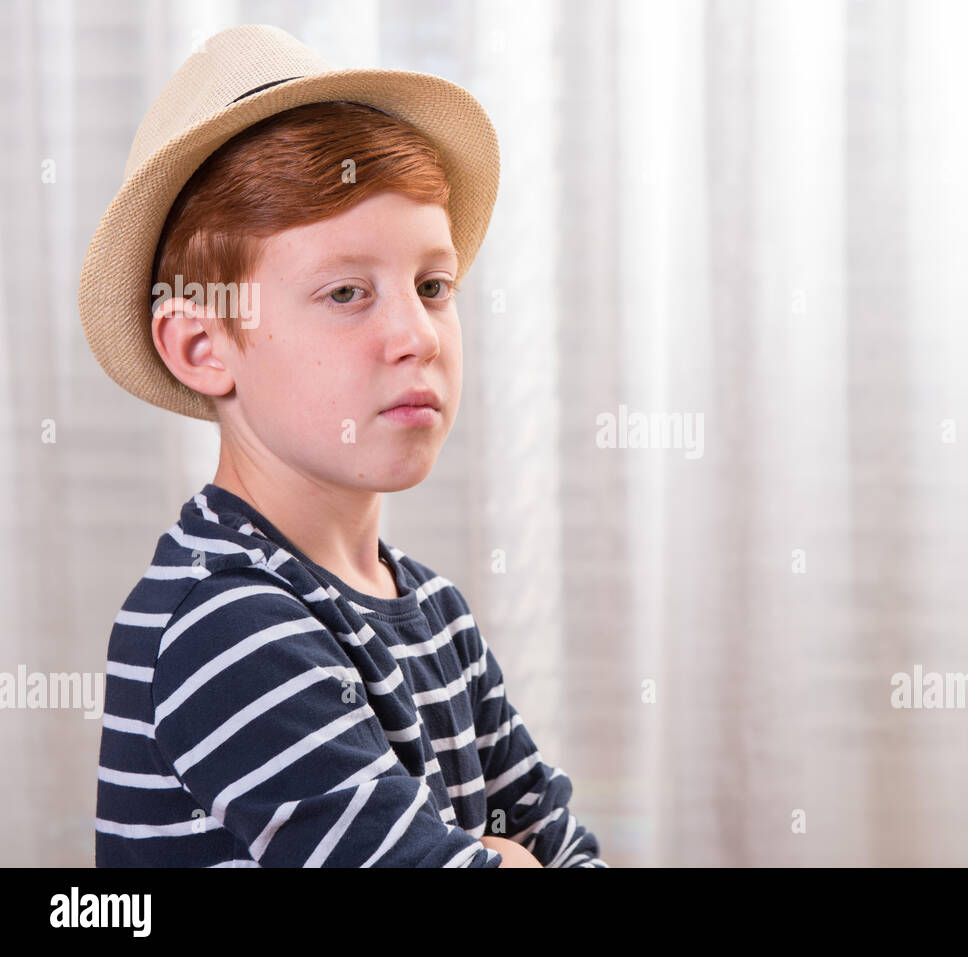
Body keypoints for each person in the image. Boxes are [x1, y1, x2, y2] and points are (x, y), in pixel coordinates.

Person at [80, 23, 605, 868]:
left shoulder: (437, 615)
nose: (416, 335)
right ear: (201, 346)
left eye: (433, 286)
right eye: (347, 291)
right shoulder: (223, 624)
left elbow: (571, 850)